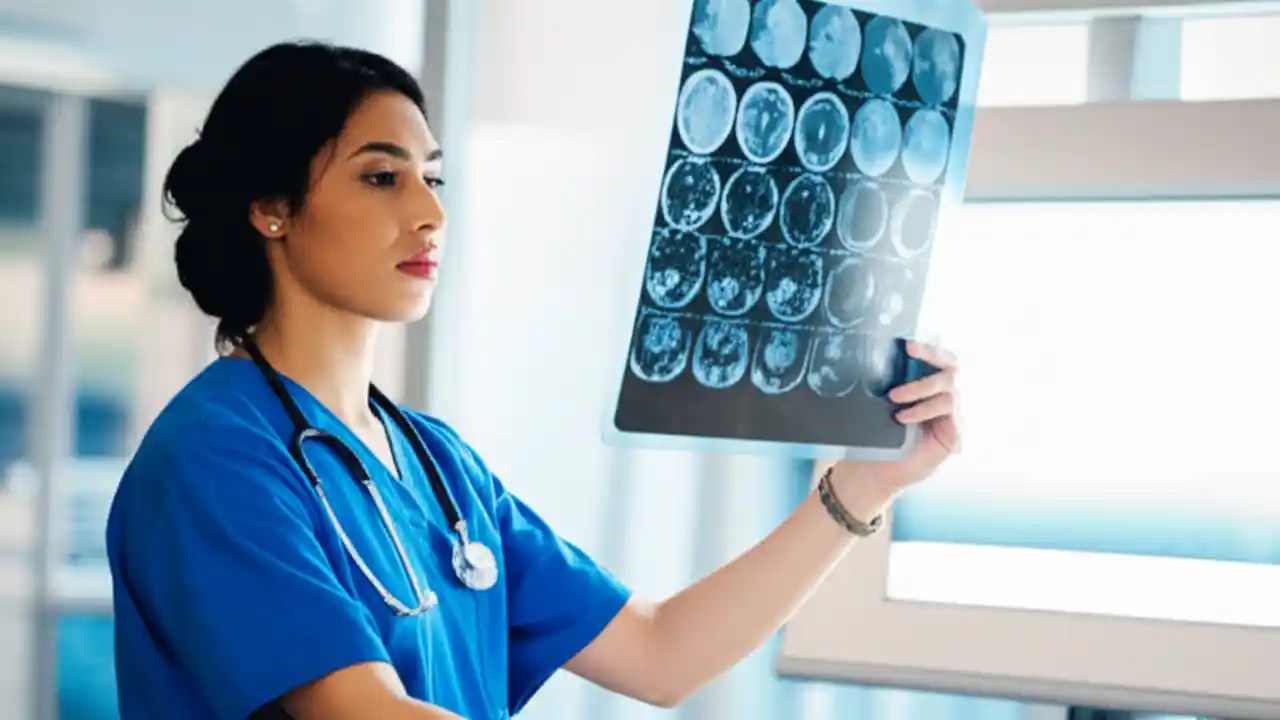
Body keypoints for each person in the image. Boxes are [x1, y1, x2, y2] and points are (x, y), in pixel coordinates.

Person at [105, 41, 961, 720]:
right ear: (272, 207)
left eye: (432, 177)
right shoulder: (216, 458)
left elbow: (661, 654)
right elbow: (361, 711)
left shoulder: (436, 464)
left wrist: (864, 483)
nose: (430, 212)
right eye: (382, 176)